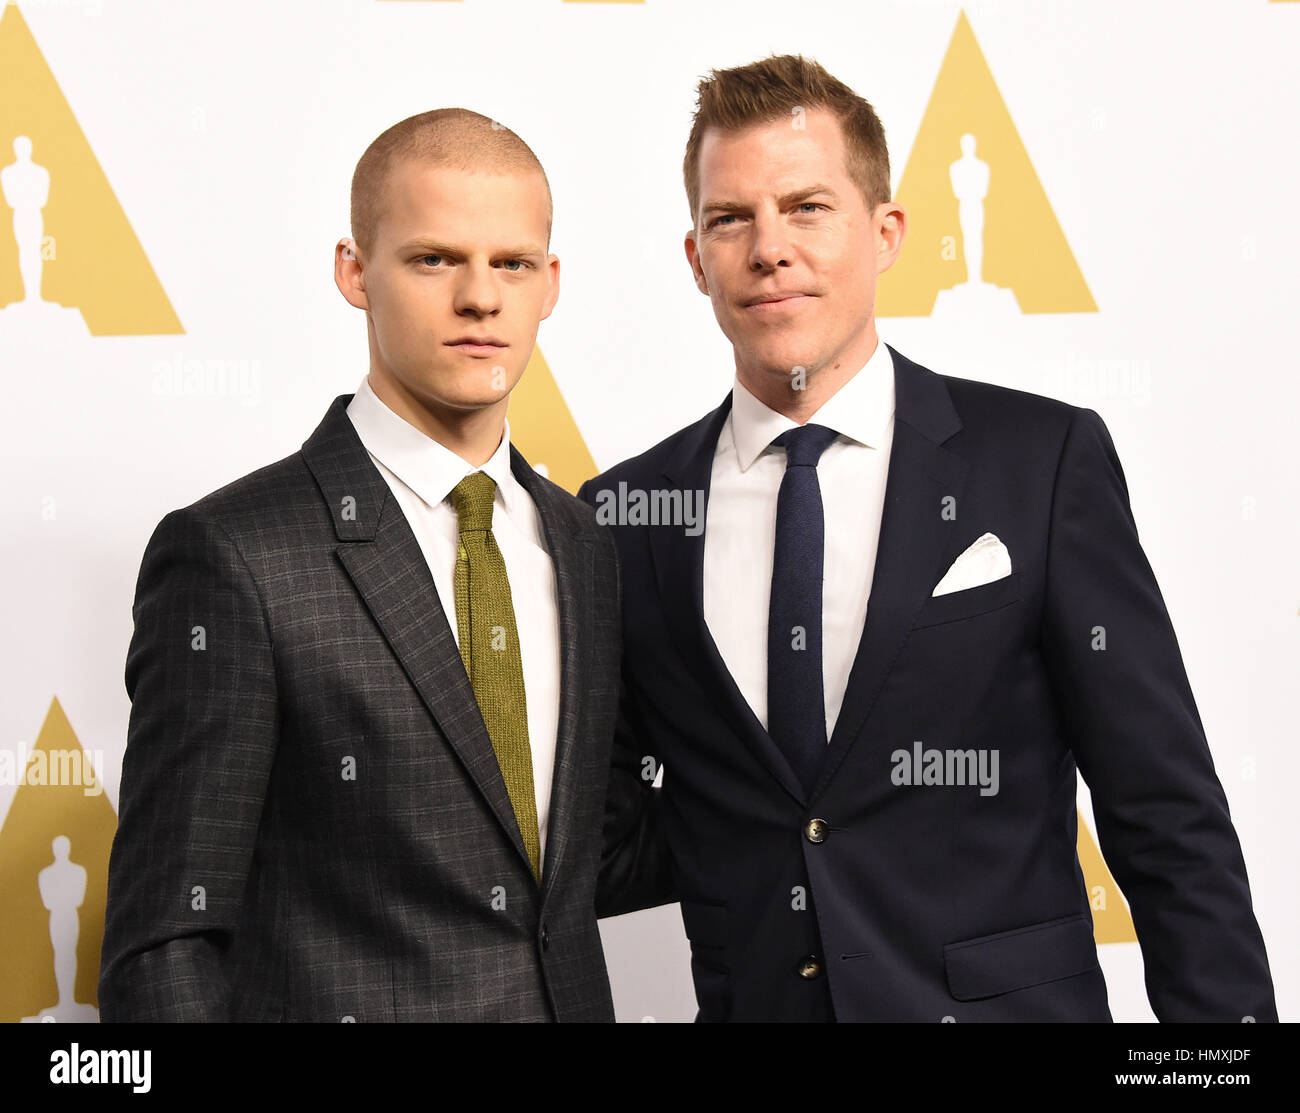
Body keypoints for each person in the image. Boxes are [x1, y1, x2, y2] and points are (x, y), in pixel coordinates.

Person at [584, 54, 1276, 1022]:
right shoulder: (623, 516)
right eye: (729, 218)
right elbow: (603, 840)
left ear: (886, 232)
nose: (767, 248)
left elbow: (1163, 812)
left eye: (807, 207)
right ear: (695, 258)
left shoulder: (1037, 463)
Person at [100, 108, 623, 1021]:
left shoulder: (584, 548)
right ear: (354, 271)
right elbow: (166, 947)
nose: (480, 297)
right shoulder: (235, 556)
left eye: (513, 263)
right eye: (433, 259)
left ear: (549, 284)